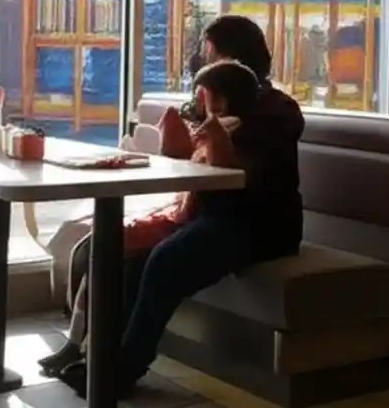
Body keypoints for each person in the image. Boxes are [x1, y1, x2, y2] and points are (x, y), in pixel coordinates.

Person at [58, 15, 305, 398]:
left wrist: (213, 127)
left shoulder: (277, 111)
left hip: (262, 225)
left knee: (165, 261)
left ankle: (121, 370)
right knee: (126, 257)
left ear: (233, 60)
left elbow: (242, 176)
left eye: (210, 54)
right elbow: (189, 158)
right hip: (213, 213)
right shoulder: (211, 102)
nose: (201, 62)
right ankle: (101, 359)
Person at [38, 58, 261, 377]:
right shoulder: (218, 128)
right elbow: (186, 164)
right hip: (188, 213)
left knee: (132, 254)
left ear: (220, 98)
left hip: (203, 218)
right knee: (103, 248)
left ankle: (111, 364)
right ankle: (89, 350)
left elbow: (218, 184)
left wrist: (202, 132)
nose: (196, 100)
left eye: (203, 93)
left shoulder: (228, 130)